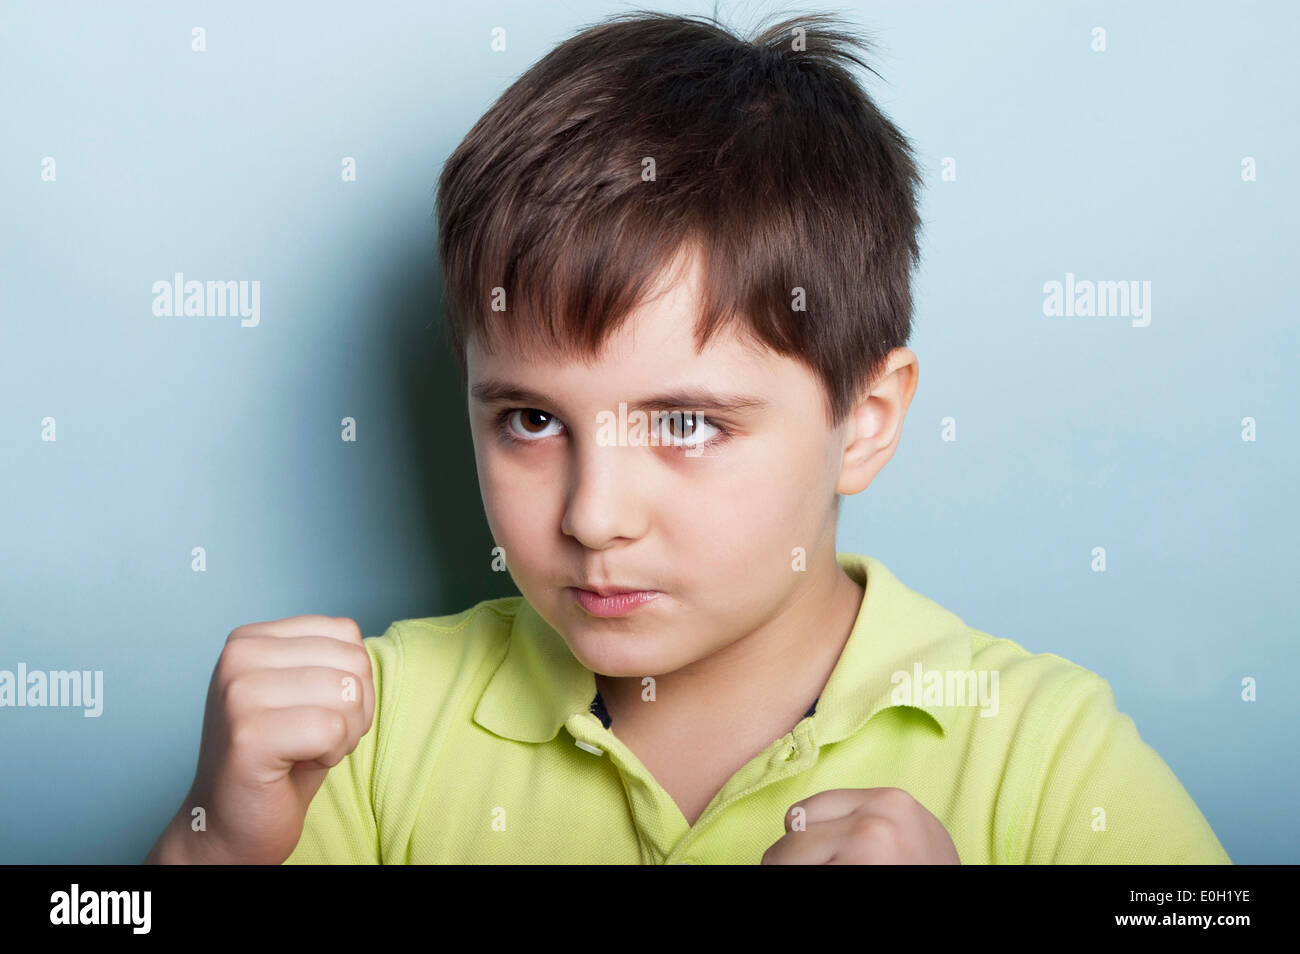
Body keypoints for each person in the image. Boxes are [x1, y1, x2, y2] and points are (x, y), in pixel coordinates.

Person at [145, 10, 1230, 865]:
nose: (592, 515)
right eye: (530, 419)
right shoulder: (367, 738)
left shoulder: (1041, 751)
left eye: (684, 423)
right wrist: (213, 849)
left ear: (865, 421)